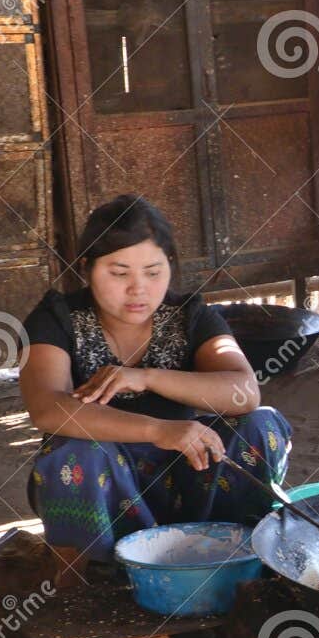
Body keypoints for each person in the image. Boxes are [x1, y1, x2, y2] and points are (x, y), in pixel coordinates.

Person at [20, 194, 291, 573]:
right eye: (119, 273)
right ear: (86, 268)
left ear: (170, 267)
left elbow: (245, 393)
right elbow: (47, 408)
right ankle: (101, 576)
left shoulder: (190, 317)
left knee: (260, 425)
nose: (138, 289)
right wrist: (158, 429)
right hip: (104, 490)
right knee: (76, 452)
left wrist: (145, 377)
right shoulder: (57, 318)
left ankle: (236, 558)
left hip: (188, 478)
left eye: (153, 272)